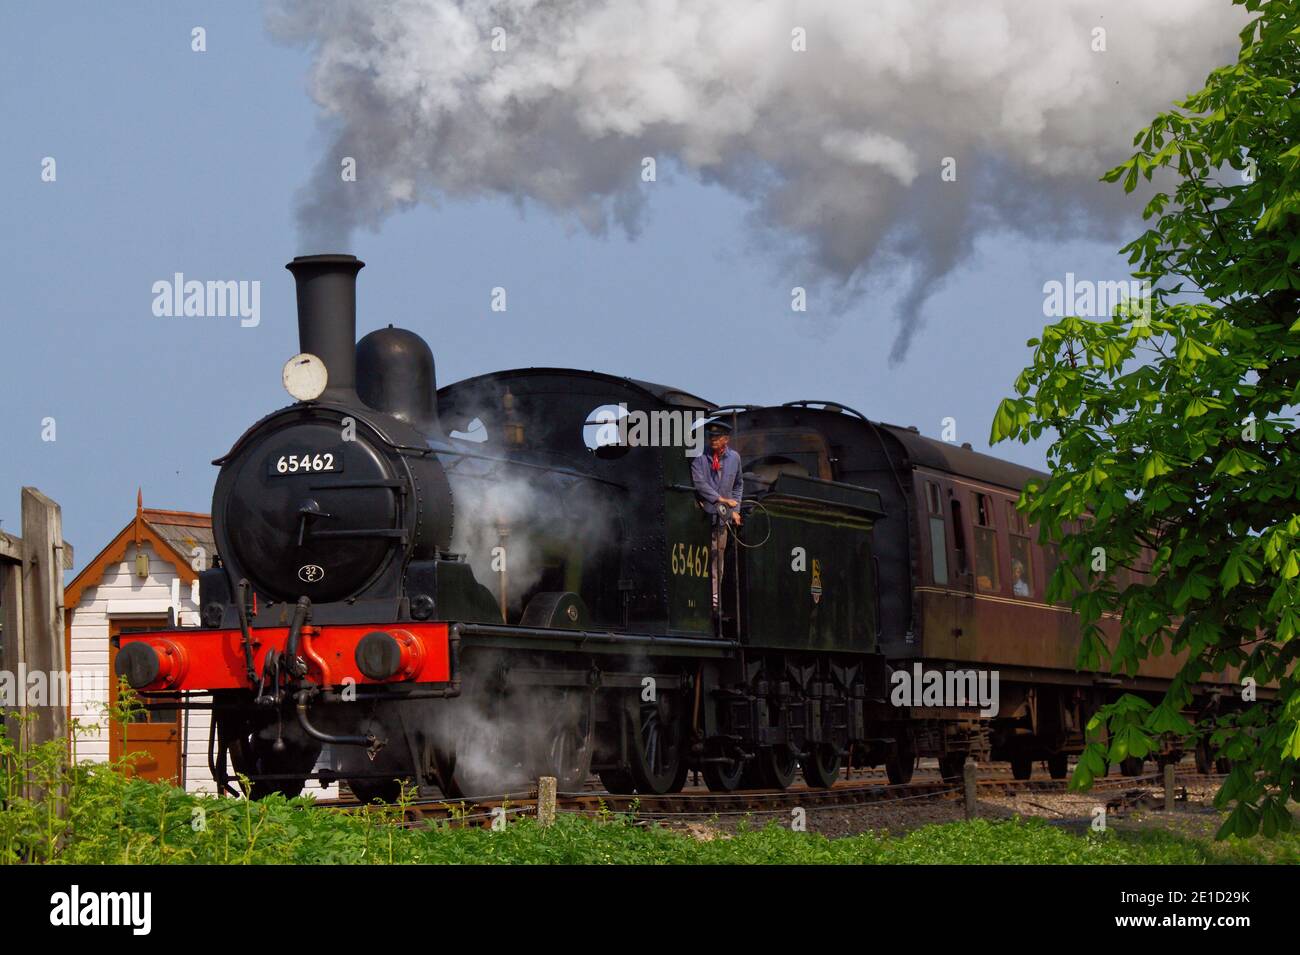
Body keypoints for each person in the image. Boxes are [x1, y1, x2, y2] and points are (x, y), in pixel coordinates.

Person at [690, 419, 743, 622]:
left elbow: (738, 484)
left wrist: (735, 509)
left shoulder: (734, 459)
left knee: (717, 559)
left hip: (723, 518)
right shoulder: (700, 457)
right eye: (711, 437)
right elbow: (699, 483)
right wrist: (719, 499)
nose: (713, 440)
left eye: (717, 437)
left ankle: (714, 599)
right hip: (702, 515)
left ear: (726, 440)